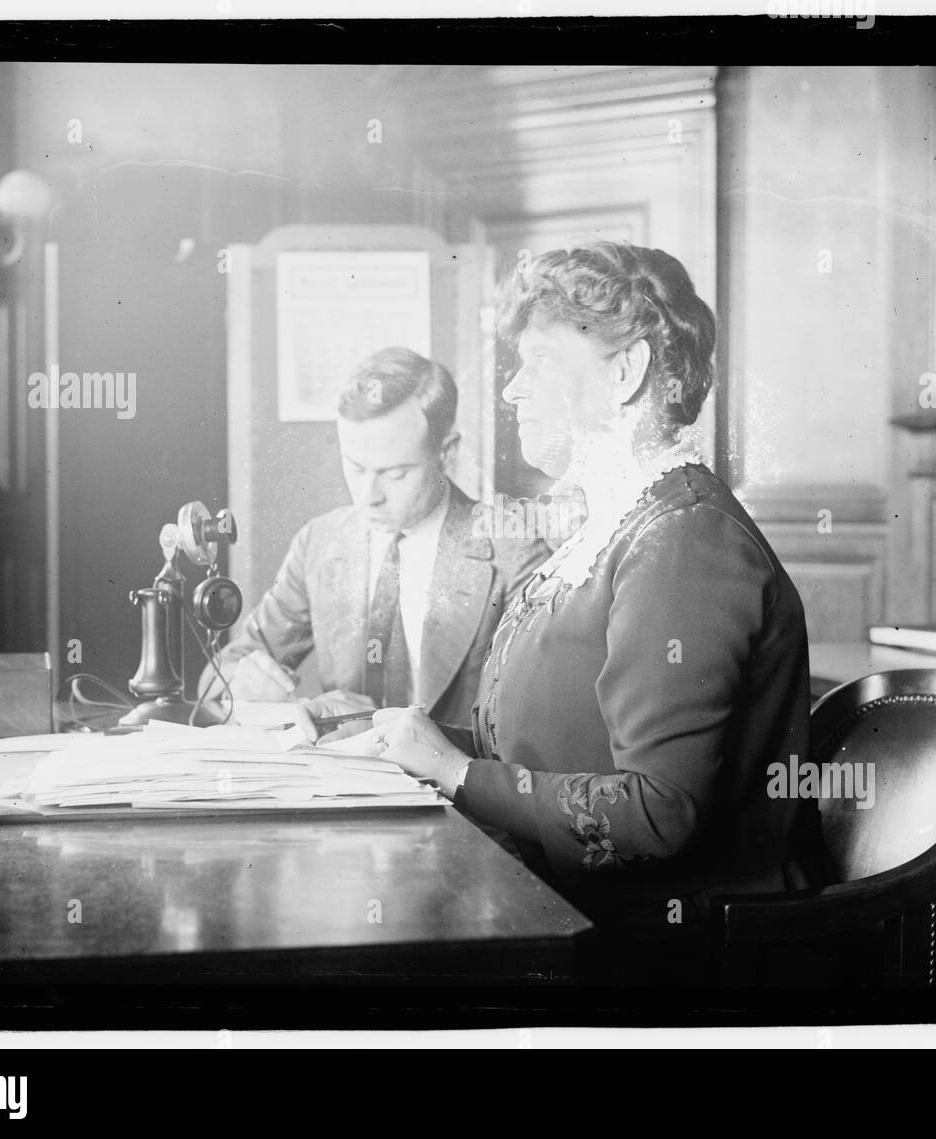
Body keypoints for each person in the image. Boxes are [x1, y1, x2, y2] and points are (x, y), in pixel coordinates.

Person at [349, 243, 824, 983]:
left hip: (667, 958)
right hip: (568, 908)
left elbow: (659, 813)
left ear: (627, 372)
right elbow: (551, 745)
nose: (511, 390)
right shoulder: (616, 525)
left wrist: (456, 773)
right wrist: (399, 739)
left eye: (539, 360)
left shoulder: (684, 540)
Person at [200, 346, 550, 731]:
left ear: (446, 452)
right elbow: (220, 674)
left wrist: (377, 726)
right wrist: (244, 680)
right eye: (355, 468)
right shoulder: (319, 542)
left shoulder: (513, 553)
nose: (369, 496)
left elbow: (533, 726)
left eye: (396, 473)